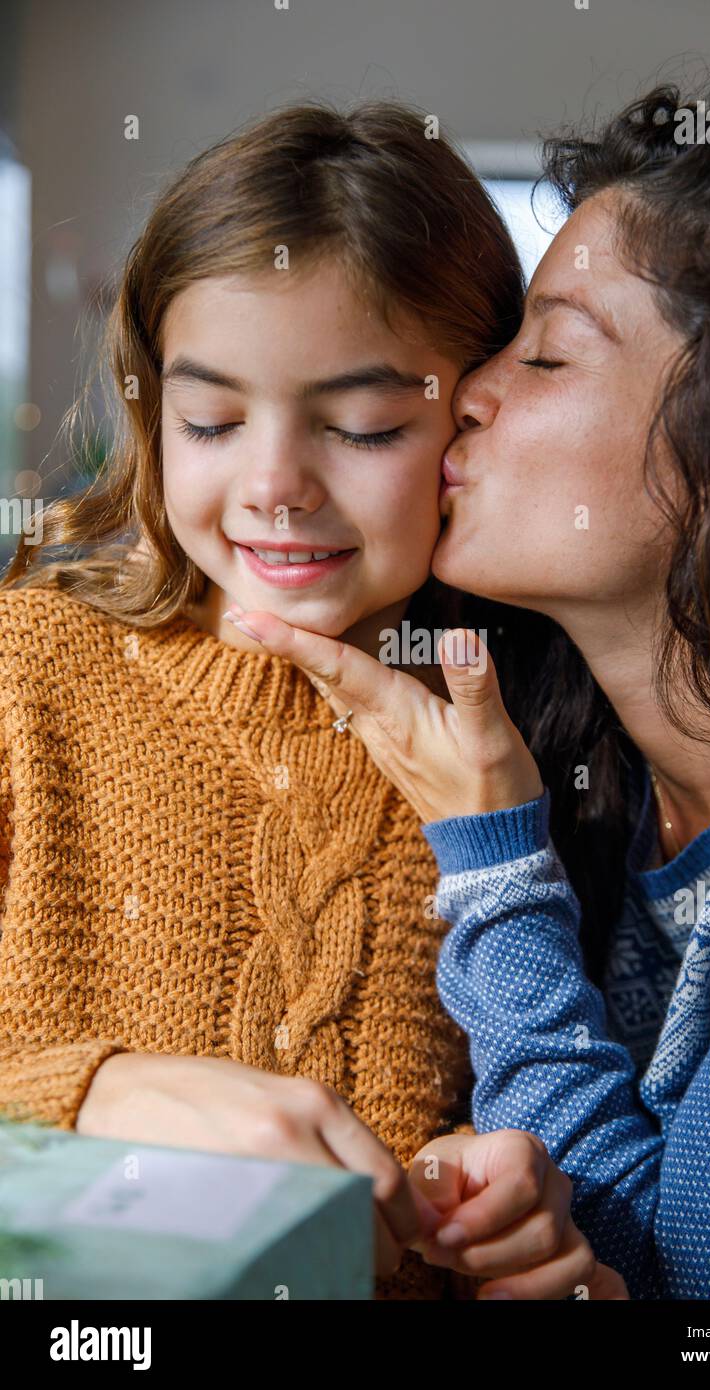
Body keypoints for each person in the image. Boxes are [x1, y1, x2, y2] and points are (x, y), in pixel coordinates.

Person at [232, 77, 710, 1299]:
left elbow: (687, 1293)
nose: (467, 389)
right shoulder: (559, 749)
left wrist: (496, 867)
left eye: (549, 351)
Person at [0, 99, 624, 1301]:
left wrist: (485, 1207)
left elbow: (539, 1121)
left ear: (473, 419)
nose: (275, 484)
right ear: (151, 410)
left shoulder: (539, 738)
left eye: (362, 425)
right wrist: (97, 1093)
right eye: (211, 420)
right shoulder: (30, 672)